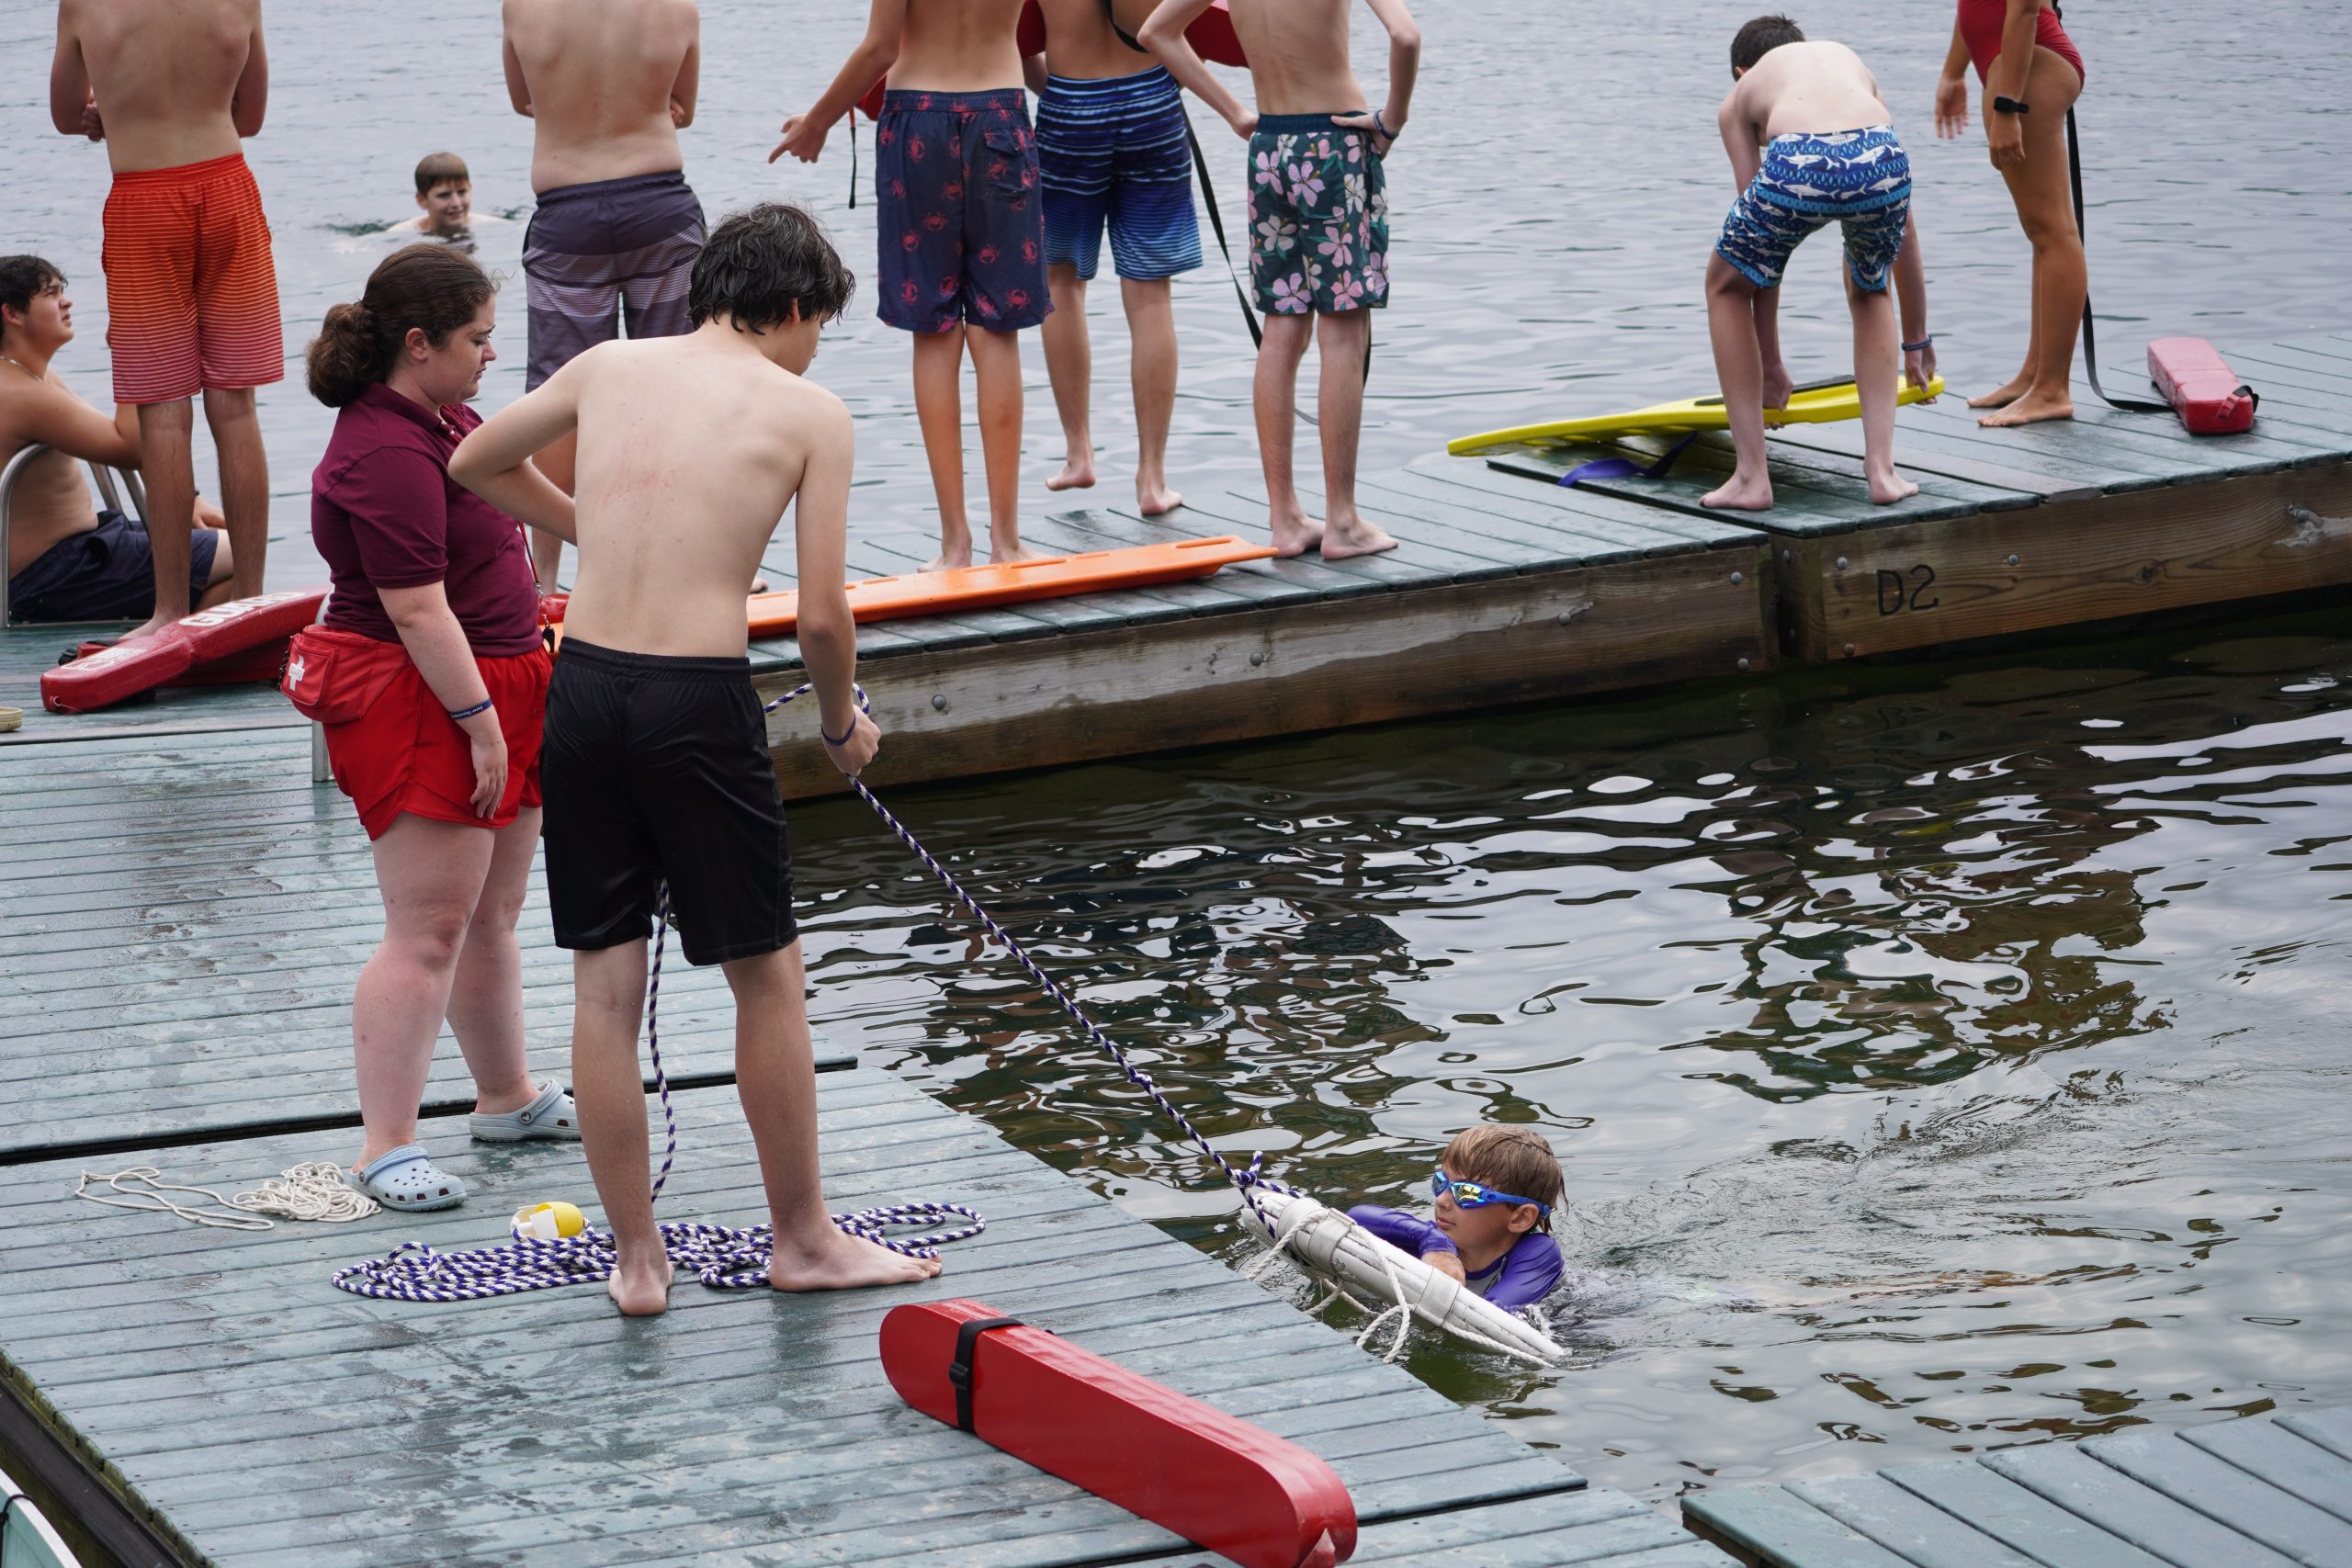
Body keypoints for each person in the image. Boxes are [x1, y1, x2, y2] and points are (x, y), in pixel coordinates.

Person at [449, 204, 943, 1314]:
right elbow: (821, 620)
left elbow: (476, 457)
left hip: (583, 691)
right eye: (818, 325)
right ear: (791, 307)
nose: (817, 349)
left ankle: (636, 1261)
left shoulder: (612, 362)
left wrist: (597, 532)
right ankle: (804, 1239)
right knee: (765, 973)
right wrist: (836, 723)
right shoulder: (809, 410)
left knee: (605, 983)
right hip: (694, 702)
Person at [304, 244, 577, 1212]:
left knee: (490, 915)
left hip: (502, 676)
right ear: (418, 345)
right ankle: (385, 1145)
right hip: (424, 696)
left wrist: (628, 542)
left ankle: (506, 1096)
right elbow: (417, 609)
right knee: (425, 929)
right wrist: (481, 726)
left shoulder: (446, 416)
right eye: (477, 340)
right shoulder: (382, 450)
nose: (490, 356)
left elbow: (523, 492)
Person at [774, 0, 1050, 570]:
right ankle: (1008, 540)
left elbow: (880, 46)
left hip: (918, 118)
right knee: (998, 333)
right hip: (1000, 111)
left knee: (934, 329)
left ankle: (955, 544)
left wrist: (817, 122)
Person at [1145, 0, 1414, 560]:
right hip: (1335, 146)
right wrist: (1393, 119)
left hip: (1270, 148)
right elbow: (1406, 36)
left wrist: (1235, 113)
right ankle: (1342, 521)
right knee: (1342, 332)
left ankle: (1285, 519)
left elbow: (1157, 33)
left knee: (1281, 328)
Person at [49, 0, 277, 637]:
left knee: (164, 414)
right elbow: (250, 117)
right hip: (229, 190)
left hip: (144, 200)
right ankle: (253, 601)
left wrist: (109, 115)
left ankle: (171, 610)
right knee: (236, 405)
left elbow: (68, 116)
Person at [502, 0, 704, 591]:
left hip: (568, 219)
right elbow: (683, 108)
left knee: (558, 399)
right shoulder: (676, 6)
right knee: (682, 385)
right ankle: (694, 563)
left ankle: (544, 581)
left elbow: (524, 101)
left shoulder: (523, 7)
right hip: (661, 210)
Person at [1702, 16, 1928, 512]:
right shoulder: (1849, 67)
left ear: (1742, 72)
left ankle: (1751, 479)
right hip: (1881, 155)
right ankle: (1883, 473)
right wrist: (1918, 341)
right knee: (1870, 289)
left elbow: (1759, 263)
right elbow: (1906, 228)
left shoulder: (1738, 99)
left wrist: (1772, 365)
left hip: (1799, 161)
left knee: (1724, 284)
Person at [1028, 0, 1207, 516]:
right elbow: (1191, 32)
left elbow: (1021, 49)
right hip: (1153, 99)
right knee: (1151, 295)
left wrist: (1065, 96)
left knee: (1060, 283)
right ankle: (1152, 478)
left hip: (1070, 105)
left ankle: (1078, 452)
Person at [0, 255, 236, 622]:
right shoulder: (18, 393)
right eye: (51, 294)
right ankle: (179, 662)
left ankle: (172, 652)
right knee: (239, 554)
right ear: (12, 314)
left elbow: (107, 437)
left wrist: (186, 500)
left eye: (63, 291)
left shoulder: (28, 377)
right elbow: (131, 446)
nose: (67, 301)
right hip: (54, 575)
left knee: (228, 537)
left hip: (78, 554)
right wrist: (130, 352)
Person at [1936, 0, 2086, 427]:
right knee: (2042, 231)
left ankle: (2053, 390)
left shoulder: (2014, 87)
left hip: (2028, 66)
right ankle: (2034, 377)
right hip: (2008, 67)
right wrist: (1954, 71)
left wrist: (2008, 107)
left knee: (2054, 231)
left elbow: (2023, 11)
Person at [1348, 1126, 1566, 1311]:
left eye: (1467, 1192)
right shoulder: (1435, 1243)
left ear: (1520, 1218)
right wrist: (1431, 1240)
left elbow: (1492, 1314)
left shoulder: (1540, 1254)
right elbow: (1355, 1218)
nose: (1441, 1200)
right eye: (1441, 1182)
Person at [389, 152, 487, 240]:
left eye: (462, 192)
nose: (456, 203)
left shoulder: (489, 225)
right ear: (421, 200)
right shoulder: (398, 235)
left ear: (470, 190)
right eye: (444, 195)